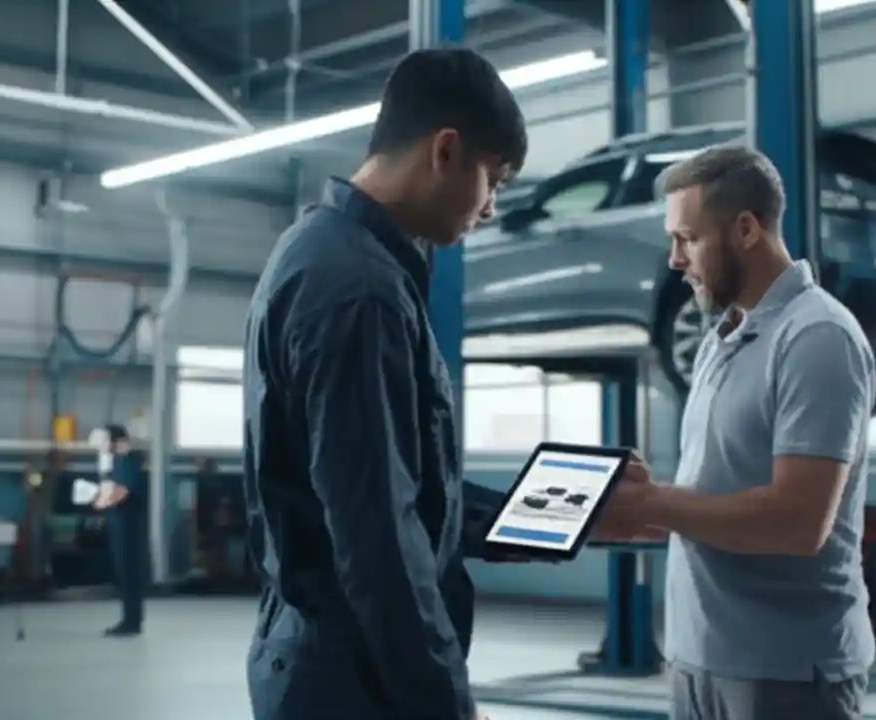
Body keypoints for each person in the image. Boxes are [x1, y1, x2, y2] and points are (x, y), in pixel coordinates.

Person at [240, 47, 646, 720]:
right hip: (354, 680)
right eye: (498, 179)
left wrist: (581, 511)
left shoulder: (325, 253)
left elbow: (411, 493)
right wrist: (445, 702)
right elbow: (378, 542)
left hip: (327, 659)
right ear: (447, 152)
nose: (492, 207)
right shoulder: (358, 290)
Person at [600, 144, 876, 719]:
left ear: (746, 229)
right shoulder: (719, 340)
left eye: (688, 238)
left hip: (785, 672)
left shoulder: (817, 337)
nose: (675, 259)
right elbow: (716, 499)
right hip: (699, 661)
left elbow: (798, 522)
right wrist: (629, 509)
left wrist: (654, 501)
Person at [93, 423, 148, 637]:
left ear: (116, 441)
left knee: (130, 573)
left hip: (130, 529)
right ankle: (129, 618)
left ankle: (132, 621)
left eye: (105, 440)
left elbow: (123, 492)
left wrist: (104, 499)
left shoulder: (130, 461)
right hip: (120, 525)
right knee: (124, 575)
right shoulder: (116, 463)